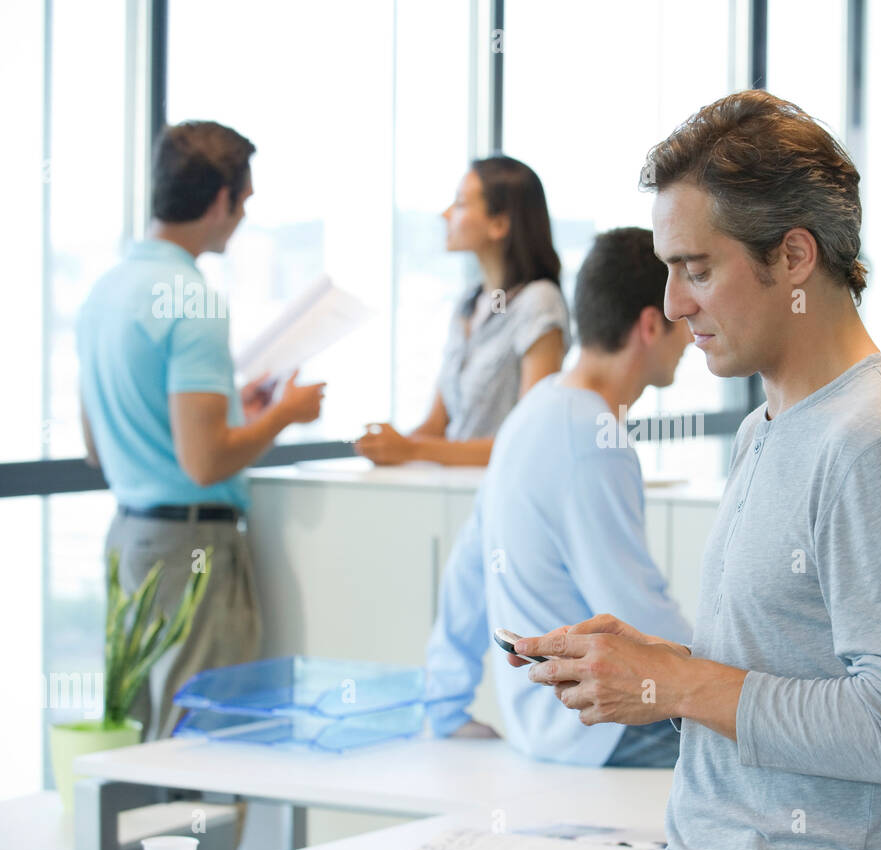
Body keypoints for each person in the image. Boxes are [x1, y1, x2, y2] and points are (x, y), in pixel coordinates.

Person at [511, 91, 881, 850]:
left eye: (696, 269)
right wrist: (654, 665)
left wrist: (678, 683)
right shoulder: (764, 428)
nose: (672, 303)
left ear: (794, 257)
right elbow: (777, 671)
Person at [77, 121, 326, 741]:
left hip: (131, 540)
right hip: (192, 552)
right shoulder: (193, 300)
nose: (241, 218)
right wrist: (283, 414)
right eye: (244, 202)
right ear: (221, 199)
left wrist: (232, 406)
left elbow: (97, 444)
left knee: (138, 732)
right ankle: (192, 844)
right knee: (205, 743)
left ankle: (137, 846)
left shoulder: (107, 290)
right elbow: (206, 462)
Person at [425, 227, 693, 767]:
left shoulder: (533, 410)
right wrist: (732, 682)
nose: (693, 336)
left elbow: (467, 571)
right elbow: (638, 613)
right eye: (682, 320)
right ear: (648, 325)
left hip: (538, 724)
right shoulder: (595, 440)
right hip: (602, 730)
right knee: (777, 743)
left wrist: (445, 705)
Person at [354, 157, 568, 467]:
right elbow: (435, 427)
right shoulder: (469, 304)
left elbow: (529, 441)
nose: (445, 215)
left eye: (460, 204)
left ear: (499, 224)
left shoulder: (539, 301)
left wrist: (414, 450)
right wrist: (391, 447)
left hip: (503, 496)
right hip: (452, 494)